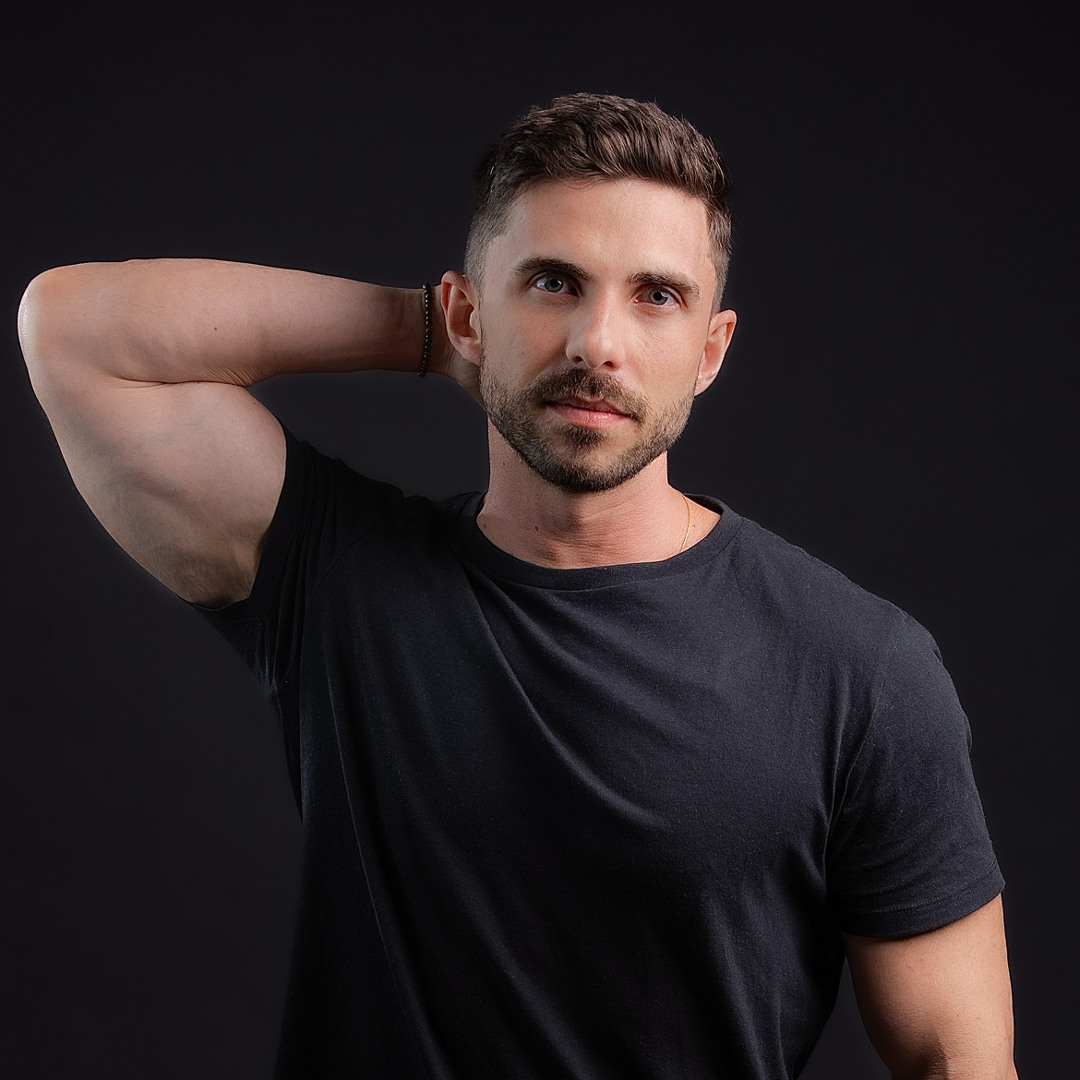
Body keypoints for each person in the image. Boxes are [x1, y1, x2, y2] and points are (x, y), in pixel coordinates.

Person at [18, 93, 1016, 1078]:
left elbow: (957, 1059)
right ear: (468, 310)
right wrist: (421, 331)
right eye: (551, 283)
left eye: (657, 296)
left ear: (710, 352)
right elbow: (73, 330)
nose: (596, 344)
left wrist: (491, 322)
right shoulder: (337, 581)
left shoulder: (859, 669)